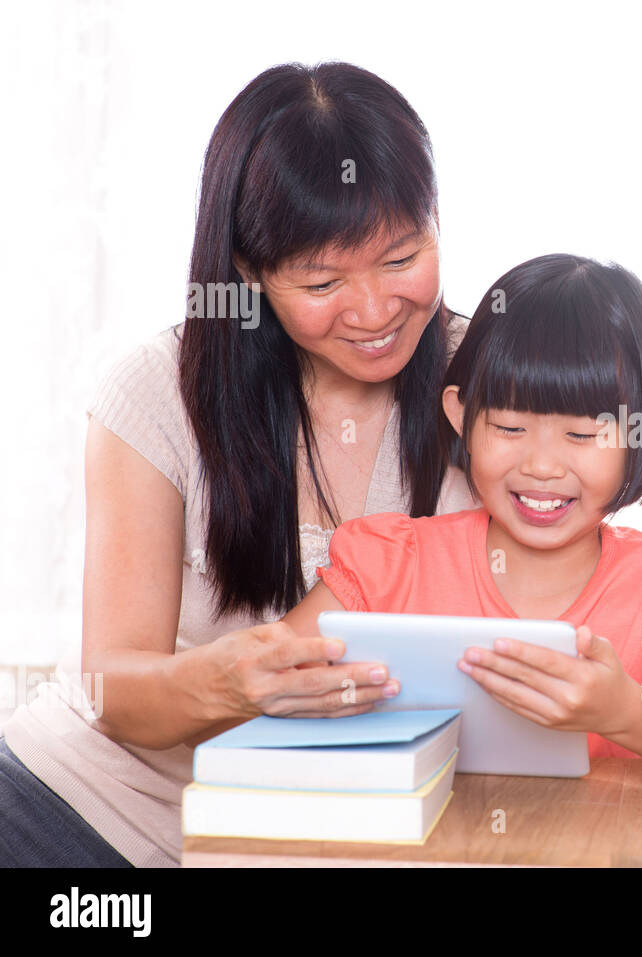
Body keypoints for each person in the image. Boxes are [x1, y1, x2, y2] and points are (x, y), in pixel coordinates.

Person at [0, 62, 477, 867]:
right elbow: (115, 691)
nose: (373, 311)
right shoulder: (156, 392)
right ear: (250, 275)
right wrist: (229, 684)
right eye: (322, 280)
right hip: (87, 814)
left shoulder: (496, 387)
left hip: (324, 845)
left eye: (400, 259)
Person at [283, 254, 642, 779]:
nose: (542, 466)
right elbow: (262, 675)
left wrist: (623, 711)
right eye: (508, 428)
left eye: (581, 435)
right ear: (461, 417)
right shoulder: (391, 563)